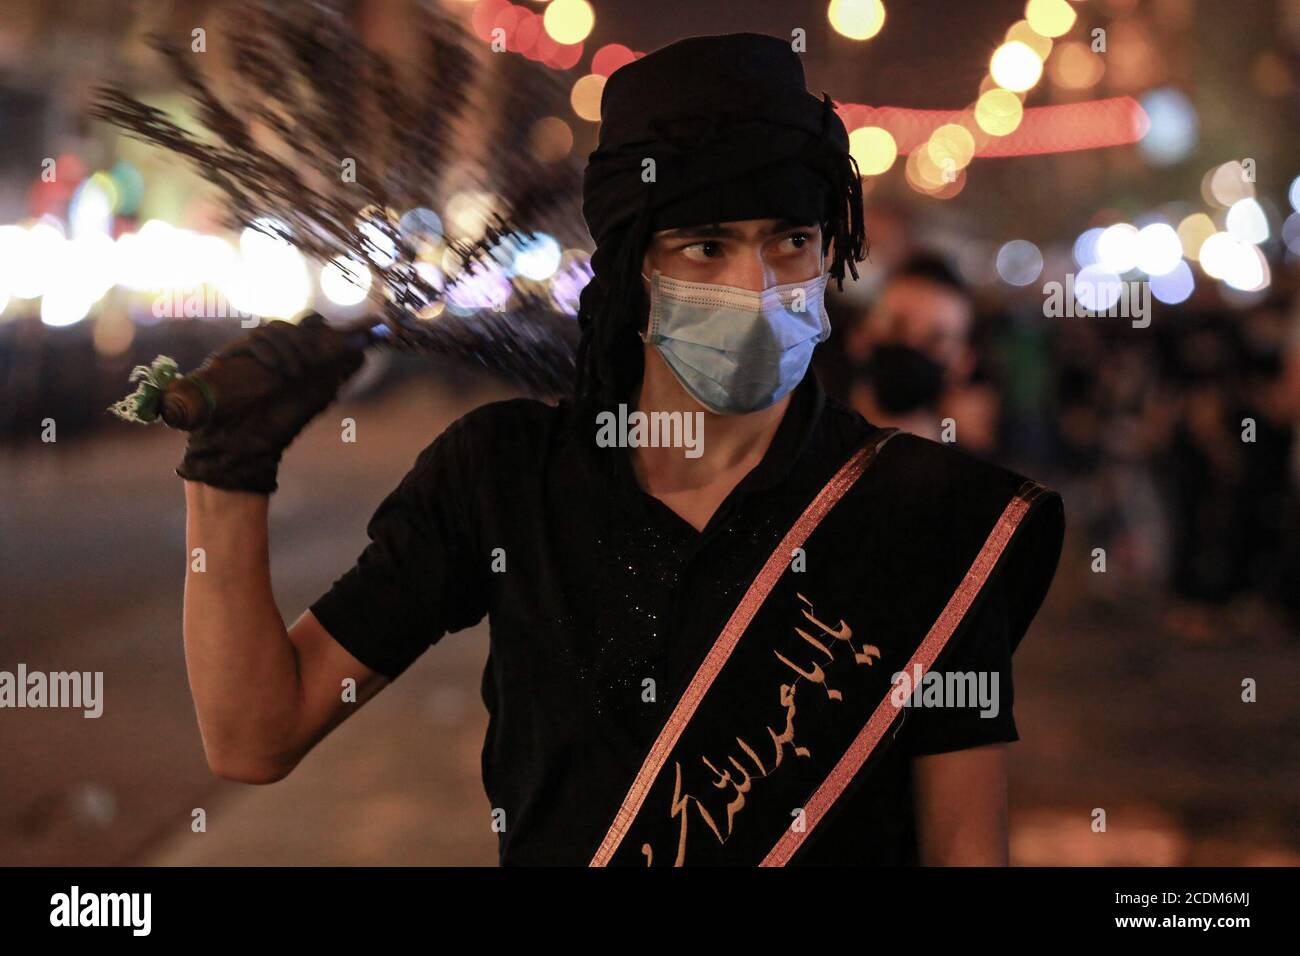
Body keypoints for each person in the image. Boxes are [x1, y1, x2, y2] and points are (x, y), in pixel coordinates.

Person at [176, 33, 1064, 866]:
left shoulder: (929, 515)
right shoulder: (503, 476)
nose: (756, 289)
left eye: (791, 243)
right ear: (636, 266)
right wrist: (227, 474)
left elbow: (965, 849)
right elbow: (257, 735)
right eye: (708, 247)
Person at [845, 253, 1001, 453]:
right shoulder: (808, 435)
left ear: (963, 363)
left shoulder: (969, 478)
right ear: (859, 334)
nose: (911, 344)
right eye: (896, 327)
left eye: (935, 340)